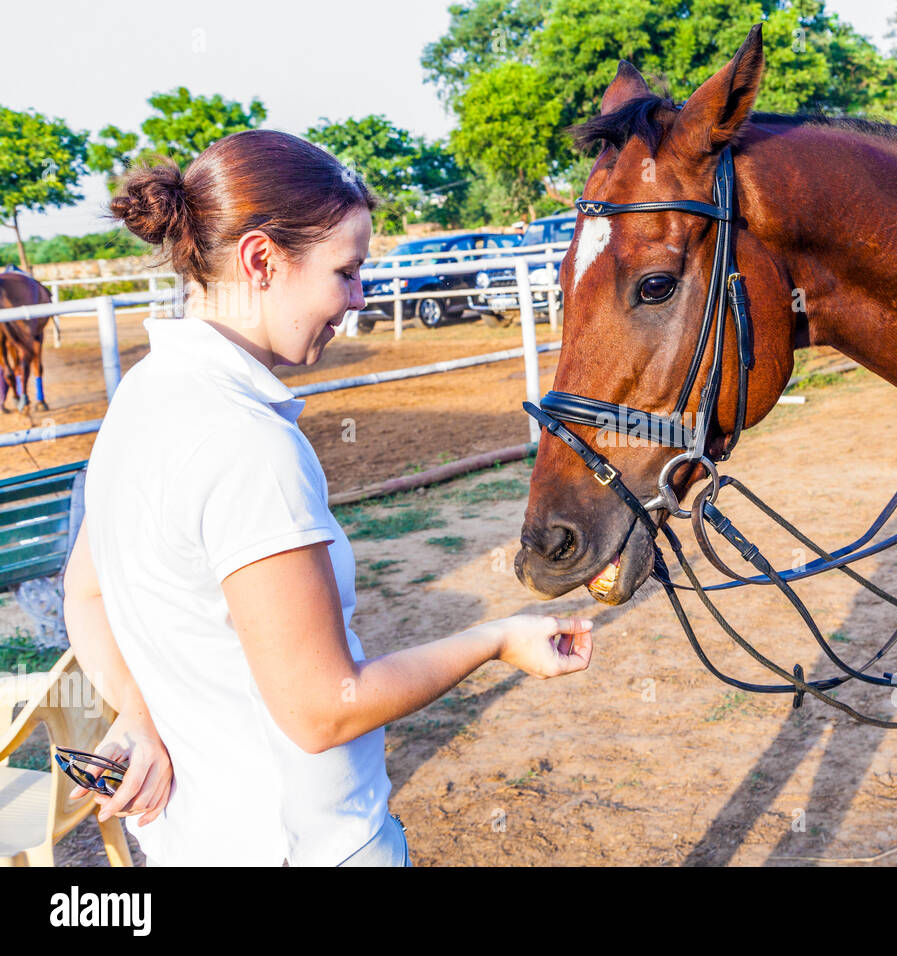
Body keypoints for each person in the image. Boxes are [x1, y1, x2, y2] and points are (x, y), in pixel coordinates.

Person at [62, 129, 594, 866]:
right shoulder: (247, 445)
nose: (358, 296)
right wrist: (494, 639)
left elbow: (83, 594)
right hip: (309, 846)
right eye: (346, 271)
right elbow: (322, 709)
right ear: (260, 260)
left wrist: (138, 712)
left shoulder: (143, 398)